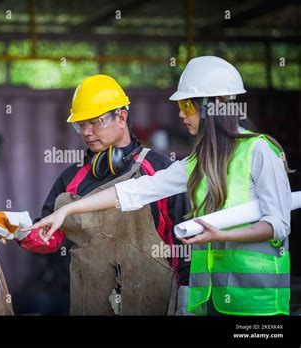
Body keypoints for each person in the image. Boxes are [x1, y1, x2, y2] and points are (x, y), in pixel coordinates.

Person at [26, 57, 293, 316]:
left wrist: (219, 235)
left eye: (188, 106)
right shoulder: (199, 162)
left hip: (257, 301)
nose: (180, 113)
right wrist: (66, 211)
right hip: (210, 300)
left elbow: (279, 225)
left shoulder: (260, 151)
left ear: (215, 106)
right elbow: (134, 191)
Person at [0, 74, 191, 315]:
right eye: (80, 125)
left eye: (95, 122)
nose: (86, 132)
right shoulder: (70, 178)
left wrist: (185, 297)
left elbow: (181, 240)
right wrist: (20, 229)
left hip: (153, 302)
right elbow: (51, 239)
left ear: (122, 117)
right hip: (90, 302)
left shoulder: (160, 171)